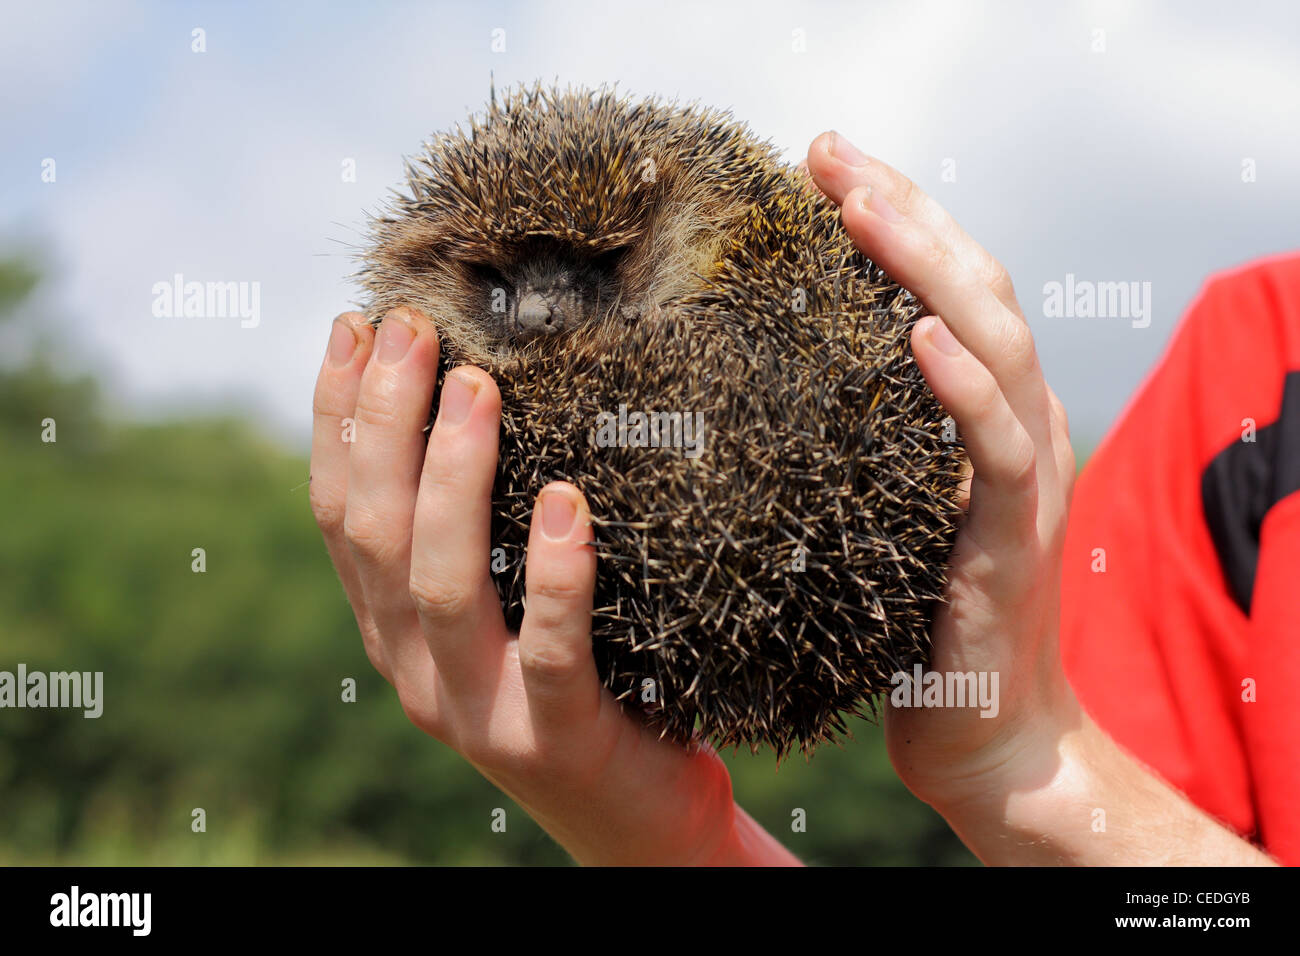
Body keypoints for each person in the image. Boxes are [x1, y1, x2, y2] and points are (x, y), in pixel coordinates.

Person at [308, 131, 1276, 865]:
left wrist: (1043, 768)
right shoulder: (1247, 374)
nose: (546, 311)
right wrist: (671, 840)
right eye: (499, 281)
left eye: (590, 270)